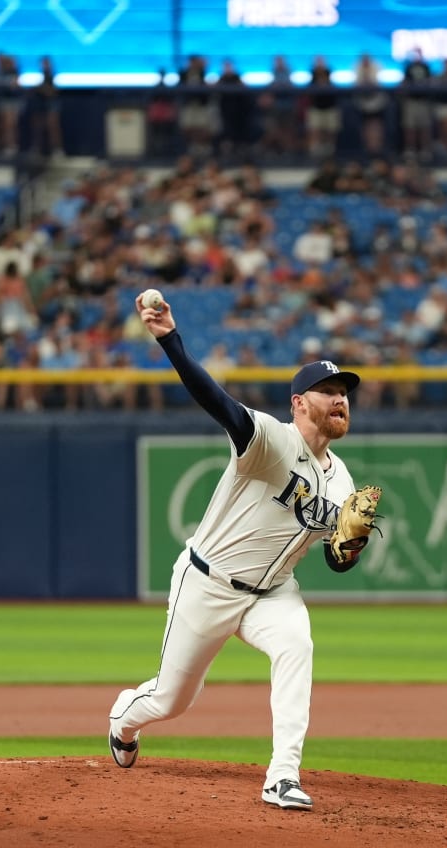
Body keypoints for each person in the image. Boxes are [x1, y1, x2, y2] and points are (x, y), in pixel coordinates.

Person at [108, 293, 369, 812]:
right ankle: (122, 719)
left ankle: (283, 776)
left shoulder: (343, 481)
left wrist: (350, 547)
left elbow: (336, 561)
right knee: (172, 700)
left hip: (273, 594)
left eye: (344, 392)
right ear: (299, 404)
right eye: (327, 391)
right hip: (208, 582)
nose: (340, 399)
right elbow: (216, 400)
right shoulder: (269, 439)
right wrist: (169, 340)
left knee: (298, 647)